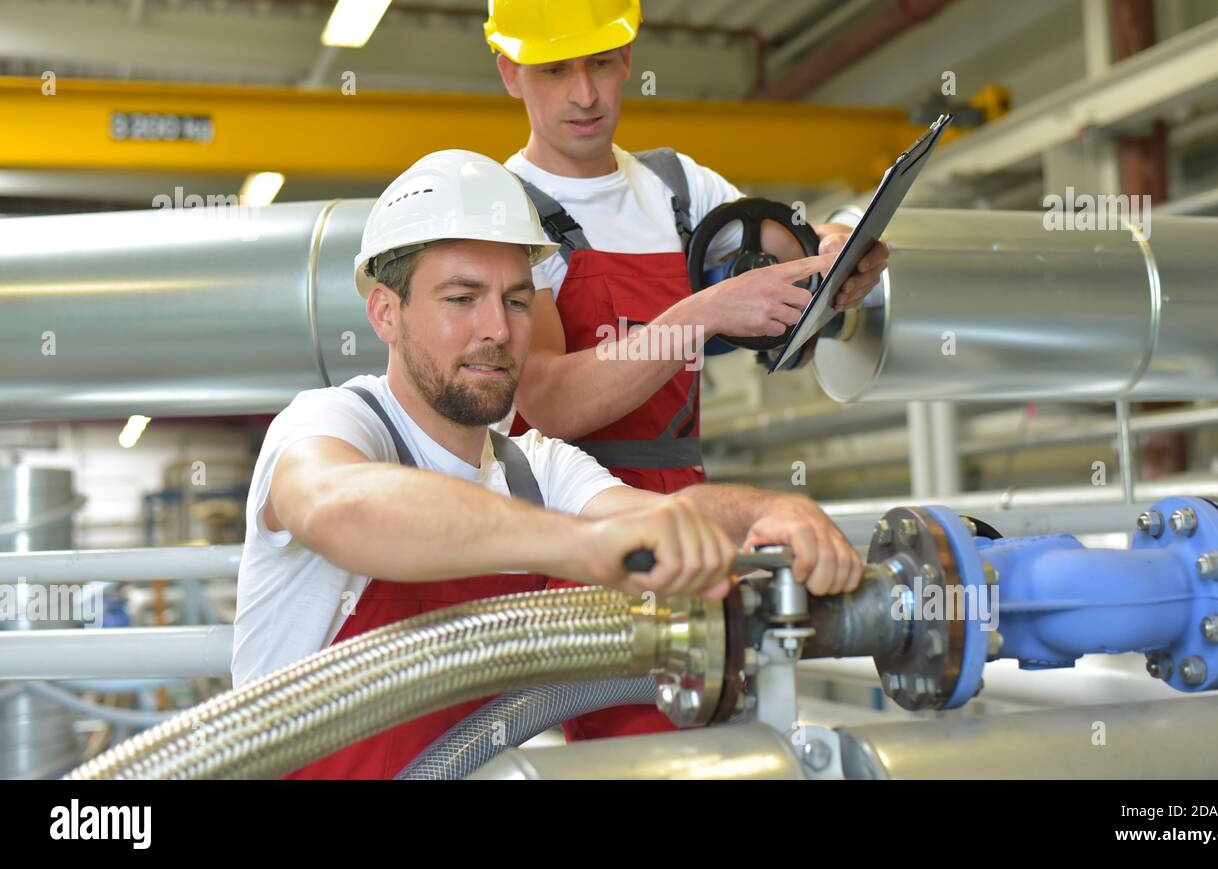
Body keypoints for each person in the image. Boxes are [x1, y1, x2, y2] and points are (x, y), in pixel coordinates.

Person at [231, 150, 863, 779]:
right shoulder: (333, 425)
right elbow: (338, 507)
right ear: (385, 314)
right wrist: (582, 545)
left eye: (514, 301)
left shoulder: (533, 468)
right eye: (461, 298)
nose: (497, 330)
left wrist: (776, 511)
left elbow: (666, 517)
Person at [484, 0, 889, 740]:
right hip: (571, 538)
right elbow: (553, 399)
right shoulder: (501, 208)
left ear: (628, 53)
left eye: (601, 61)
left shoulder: (680, 187)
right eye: (556, 69)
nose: (586, 93)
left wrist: (838, 257)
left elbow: (788, 262)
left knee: (707, 738)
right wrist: (698, 316)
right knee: (611, 746)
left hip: (695, 519)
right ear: (509, 72)